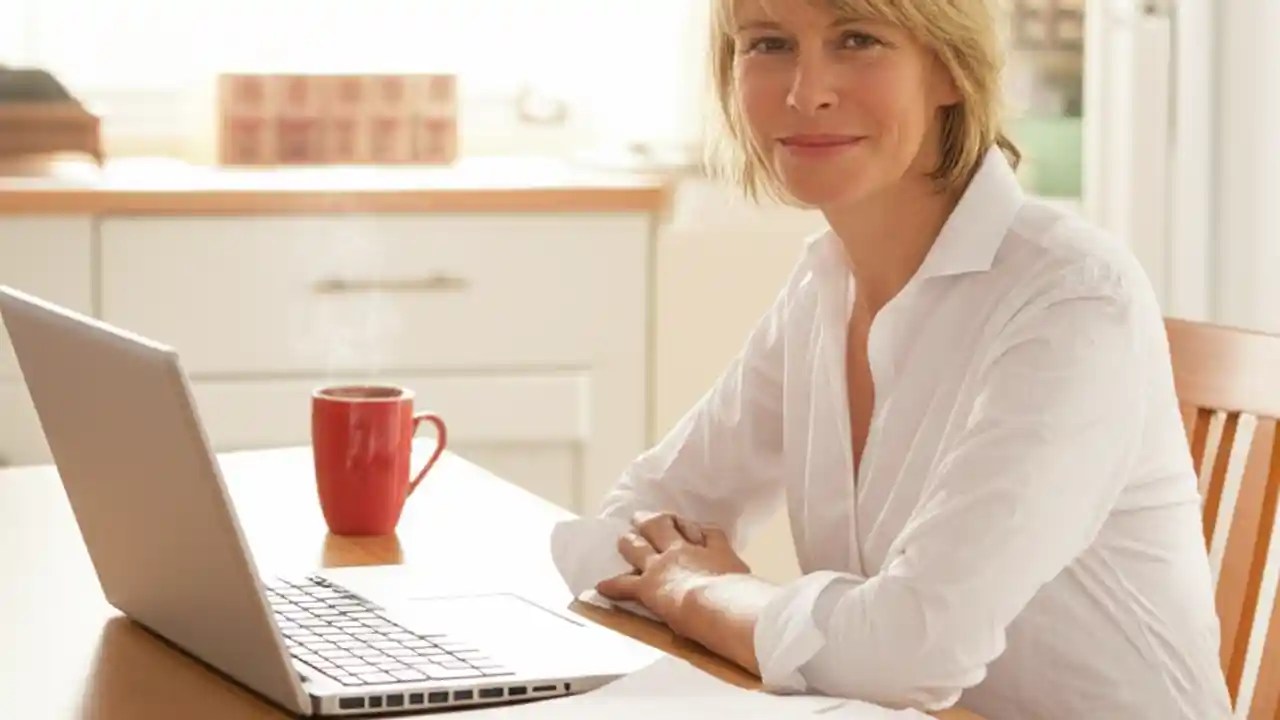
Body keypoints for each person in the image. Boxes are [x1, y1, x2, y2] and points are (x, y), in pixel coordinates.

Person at [591, 1, 1234, 718]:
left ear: (949, 70)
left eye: (858, 40)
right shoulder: (823, 286)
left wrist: (696, 591)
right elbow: (634, 523)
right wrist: (688, 582)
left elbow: (913, 653)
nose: (806, 92)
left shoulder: (1072, 301)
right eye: (768, 44)